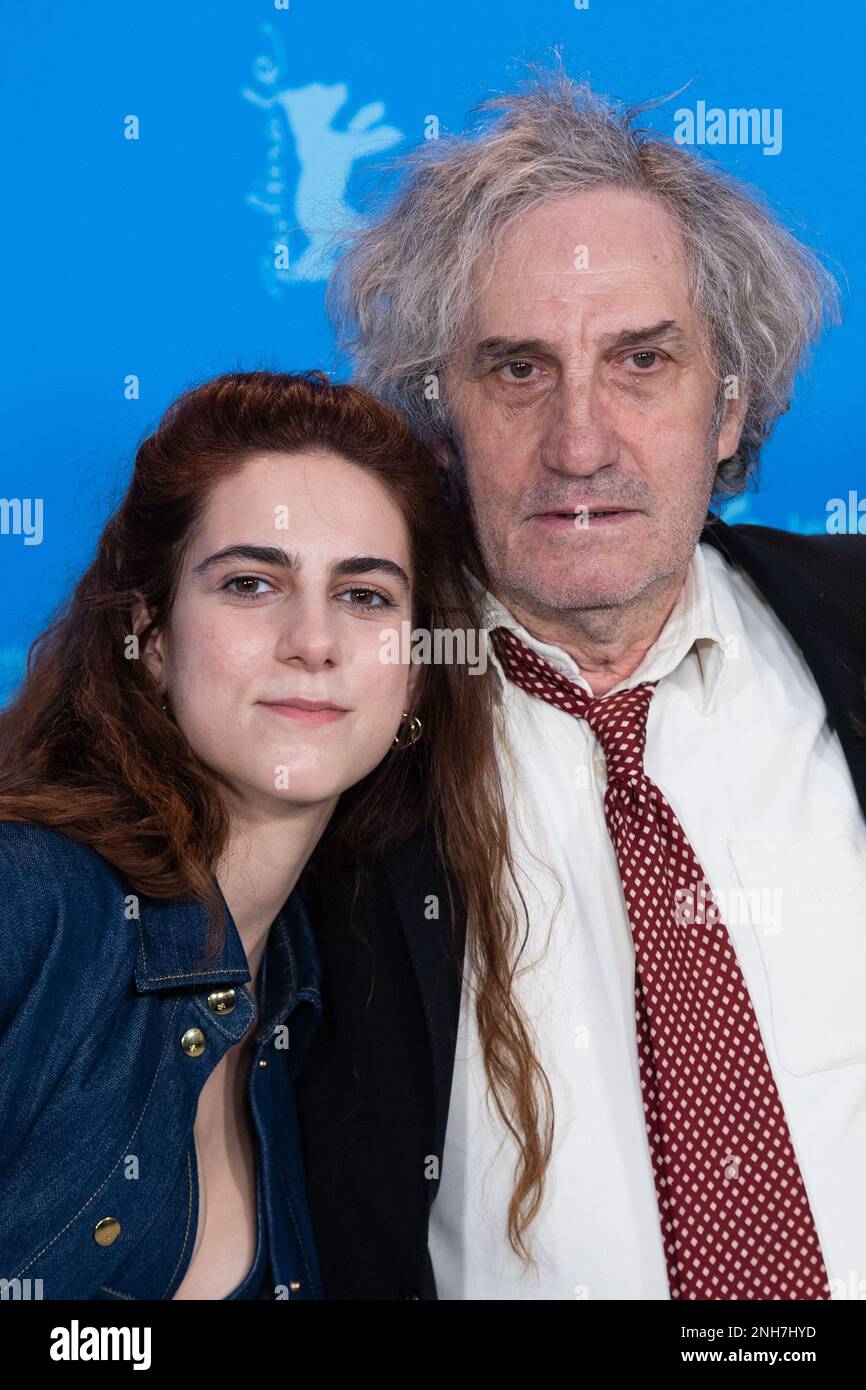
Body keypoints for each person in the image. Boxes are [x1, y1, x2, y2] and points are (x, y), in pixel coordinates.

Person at [294, 69, 866, 1300]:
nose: (579, 442)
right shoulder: (327, 726)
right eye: (515, 370)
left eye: (640, 360)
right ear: (438, 415)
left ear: (728, 405)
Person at [0, 369, 528, 1300]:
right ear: (151, 635)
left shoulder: (300, 995)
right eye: (251, 583)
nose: (313, 640)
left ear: (414, 678)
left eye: (366, 597)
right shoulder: (27, 902)